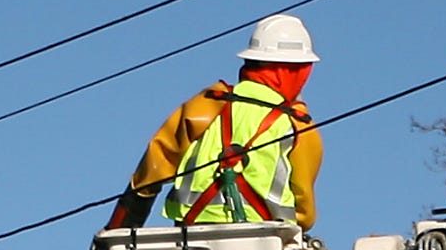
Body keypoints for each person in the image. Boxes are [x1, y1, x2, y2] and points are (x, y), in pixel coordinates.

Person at [106, 14, 323, 231]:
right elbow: (304, 212)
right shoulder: (298, 125)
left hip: (191, 239)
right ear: (300, 70)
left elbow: (153, 169)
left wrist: (118, 228)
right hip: (265, 247)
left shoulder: (207, 103)